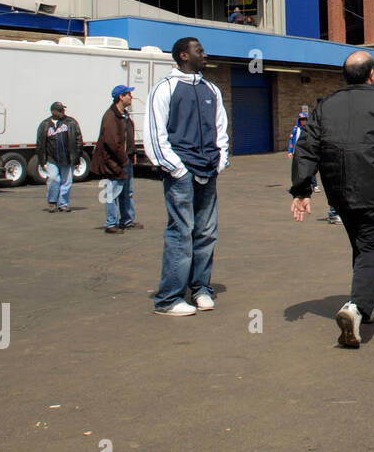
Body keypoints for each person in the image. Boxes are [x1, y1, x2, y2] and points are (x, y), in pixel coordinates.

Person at [290, 52, 374, 348]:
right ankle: (356, 307)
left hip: (341, 195)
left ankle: (370, 304)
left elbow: (306, 147)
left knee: (363, 249)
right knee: (372, 249)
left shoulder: (326, 106)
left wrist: (302, 190)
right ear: (372, 74)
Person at [143, 37, 229, 316]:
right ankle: (168, 298)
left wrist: (220, 160)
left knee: (205, 232)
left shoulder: (211, 90)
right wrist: (177, 168)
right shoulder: (164, 89)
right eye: (199, 51)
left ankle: (201, 288)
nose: (204, 55)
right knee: (181, 233)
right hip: (182, 173)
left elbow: (221, 129)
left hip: (208, 170)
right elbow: (155, 134)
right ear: (183, 56)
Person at [90, 85, 142, 233]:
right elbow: (112, 142)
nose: (131, 97)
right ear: (121, 97)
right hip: (115, 163)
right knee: (112, 193)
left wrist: (131, 156)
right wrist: (123, 159)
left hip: (126, 161)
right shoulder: (111, 116)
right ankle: (111, 224)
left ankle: (127, 220)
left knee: (127, 192)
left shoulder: (124, 115)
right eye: (128, 95)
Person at [36, 101, 83, 213]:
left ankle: (63, 204)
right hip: (52, 158)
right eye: (60, 110)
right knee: (53, 179)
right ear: (53, 111)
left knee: (66, 182)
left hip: (67, 157)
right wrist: (42, 160)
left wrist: (77, 156)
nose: (63, 112)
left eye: (63, 109)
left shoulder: (71, 122)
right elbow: (40, 143)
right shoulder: (45, 124)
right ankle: (52, 202)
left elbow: (78, 139)